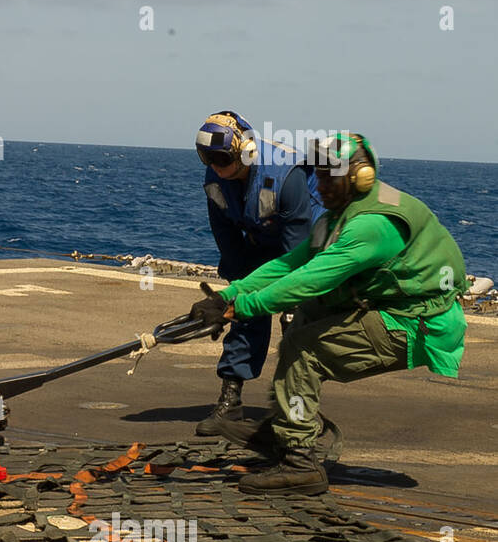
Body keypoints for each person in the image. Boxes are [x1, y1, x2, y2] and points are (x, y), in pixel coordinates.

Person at [190, 133, 467, 495]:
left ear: (359, 177)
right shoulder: (336, 218)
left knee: (305, 350)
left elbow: (310, 280)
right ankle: (287, 429)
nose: (319, 185)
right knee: (304, 324)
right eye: (318, 176)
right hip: (390, 307)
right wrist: (228, 294)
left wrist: (240, 308)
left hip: (417, 322)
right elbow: (290, 264)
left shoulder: (371, 225)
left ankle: (300, 463)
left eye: (328, 177)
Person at [194, 111, 323, 435]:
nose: (215, 166)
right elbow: (226, 235)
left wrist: (288, 299)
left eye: (221, 157)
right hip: (262, 239)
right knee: (243, 310)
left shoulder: (286, 176)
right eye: (206, 158)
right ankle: (231, 402)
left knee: (298, 321)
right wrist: (236, 292)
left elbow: (298, 255)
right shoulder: (216, 181)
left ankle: (298, 409)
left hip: (307, 243)